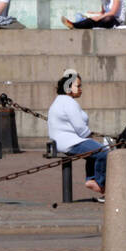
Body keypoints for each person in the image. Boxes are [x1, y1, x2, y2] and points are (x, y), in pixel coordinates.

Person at [48, 68, 107, 197]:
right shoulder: (69, 102)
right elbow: (80, 127)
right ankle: (100, 184)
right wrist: (90, 136)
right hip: (69, 141)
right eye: (78, 86)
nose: (81, 89)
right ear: (68, 87)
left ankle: (92, 179)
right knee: (103, 152)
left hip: (65, 140)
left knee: (95, 150)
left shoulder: (60, 100)